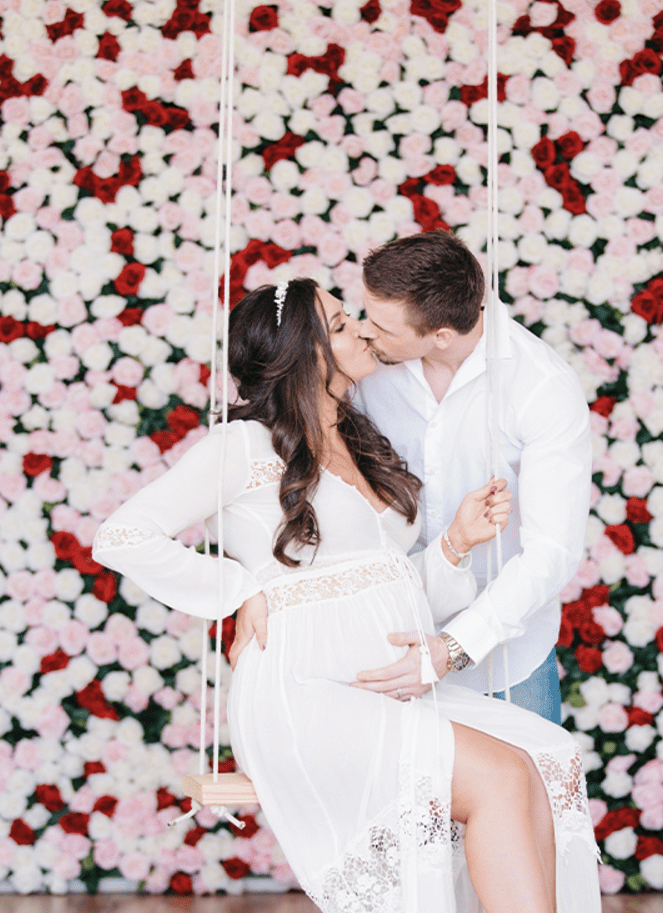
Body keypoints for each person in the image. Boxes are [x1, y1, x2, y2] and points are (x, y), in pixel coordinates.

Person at [92, 278, 635, 913]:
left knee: (543, 753)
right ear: (303, 350)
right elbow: (122, 534)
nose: (363, 336)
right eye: (343, 325)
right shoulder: (243, 449)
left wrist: (453, 542)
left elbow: (390, 587)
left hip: (385, 682)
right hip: (308, 691)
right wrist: (237, 588)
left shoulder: (356, 433)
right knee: (496, 779)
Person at [233, 231, 591, 722]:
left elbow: (553, 552)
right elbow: (272, 460)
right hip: (376, 644)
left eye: (379, 325)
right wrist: (246, 582)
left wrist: (452, 647)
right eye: (361, 313)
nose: (362, 330)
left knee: (531, 790)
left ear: (440, 335)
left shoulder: (541, 387)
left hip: (504, 654)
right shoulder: (364, 366)